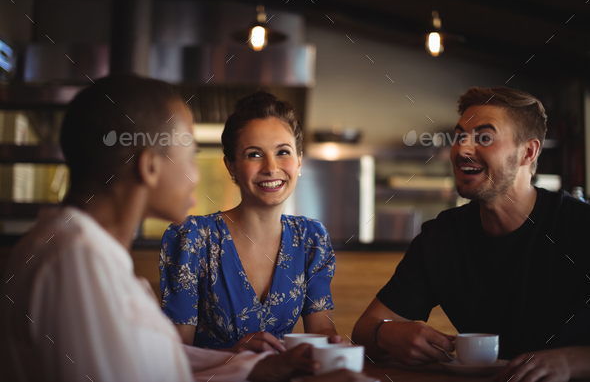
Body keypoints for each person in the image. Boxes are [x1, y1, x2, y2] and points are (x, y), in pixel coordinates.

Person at [0, 75, 371, 382]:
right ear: (150, 167)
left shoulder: (79, 251)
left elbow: (159, 366)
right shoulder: (77, 265)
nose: (195, 173)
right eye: (190, 152)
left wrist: (258, 368)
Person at [352, 86, 590, 382]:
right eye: (459, 136)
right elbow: (364, 329)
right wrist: (385, 334)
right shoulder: (441, 237)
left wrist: (571, 362)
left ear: (528, 152)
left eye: (485, 137)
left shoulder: (579, 228)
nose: (462, 148)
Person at [160, 92, 340, 352]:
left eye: (283, 152)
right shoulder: (191, 237)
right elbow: (174, 354)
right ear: (231, 166)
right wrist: (231, 356)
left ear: (299, 160)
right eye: (254, 154)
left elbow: (323, 331)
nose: (270, 167)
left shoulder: (312, 238)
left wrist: (333, 349)